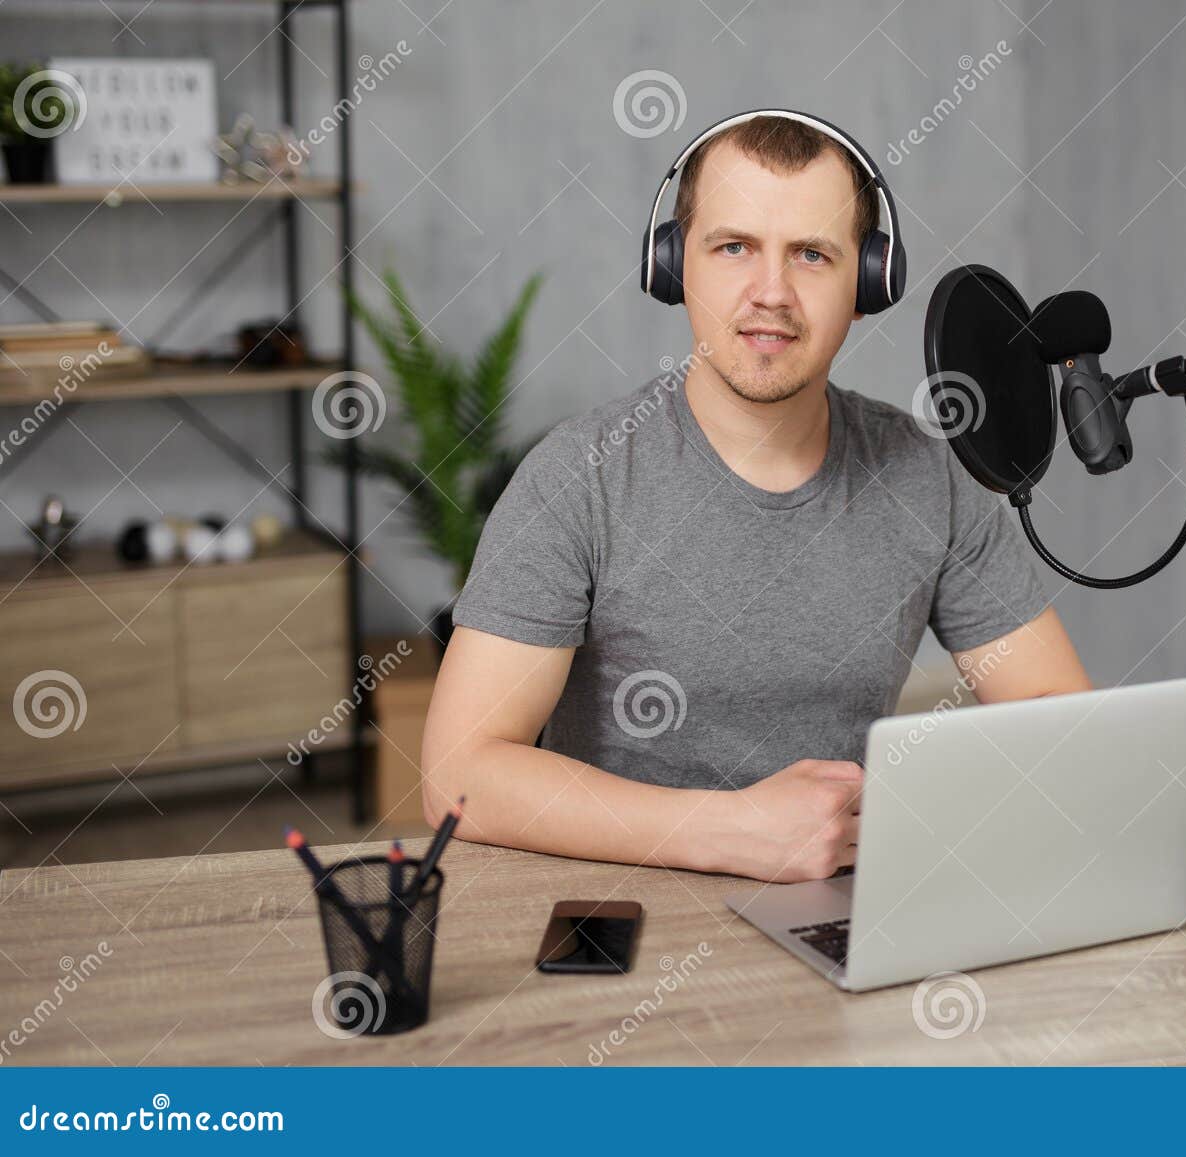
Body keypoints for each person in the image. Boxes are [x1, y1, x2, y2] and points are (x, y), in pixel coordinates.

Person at [420, 112, 1091, 882]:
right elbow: (460, 775)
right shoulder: (579, 475)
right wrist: (729, 830)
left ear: (869, 286)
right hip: (622, 913)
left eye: (811, 254)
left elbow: (1058, 721)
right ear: (674, 267)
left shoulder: (926, 477)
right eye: (734, 247)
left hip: (836, 906)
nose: (770, 293)